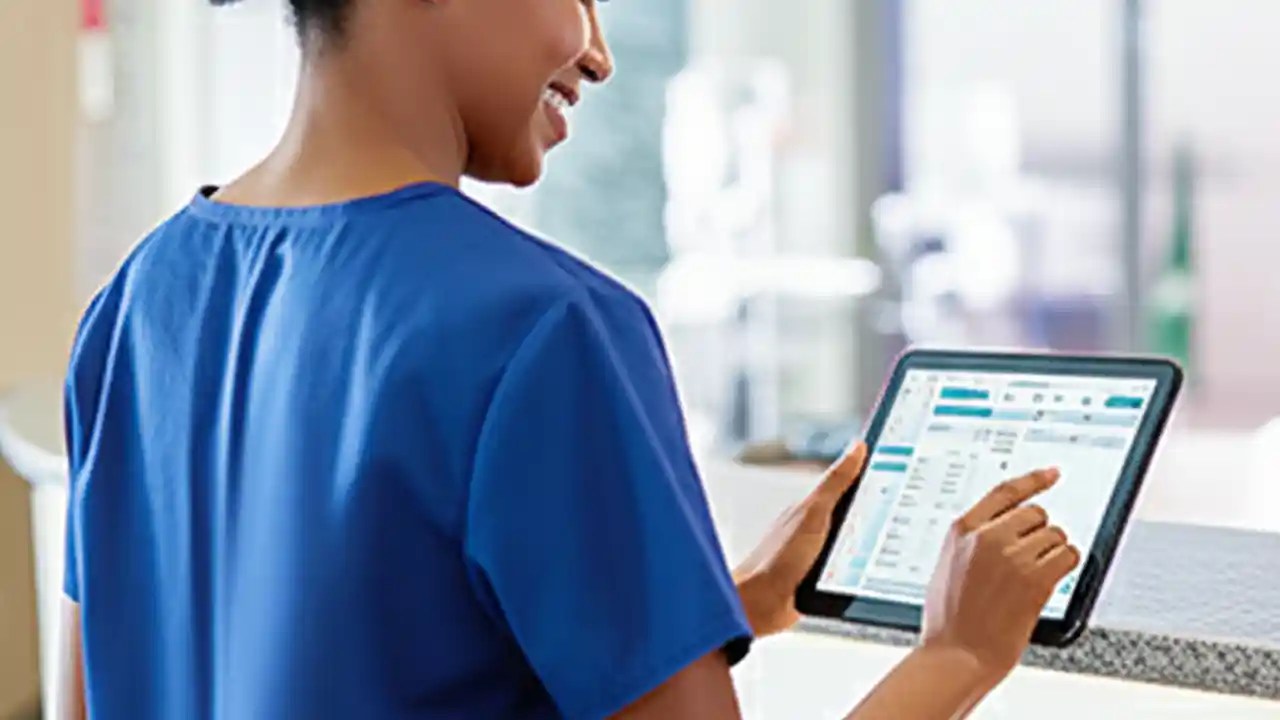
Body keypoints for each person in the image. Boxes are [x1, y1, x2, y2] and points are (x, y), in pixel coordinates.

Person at [56, 1, 1081, 718]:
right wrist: (955, 655)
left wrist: (719, 606)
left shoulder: (136, 301)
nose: (598, 53)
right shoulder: (546, 328)